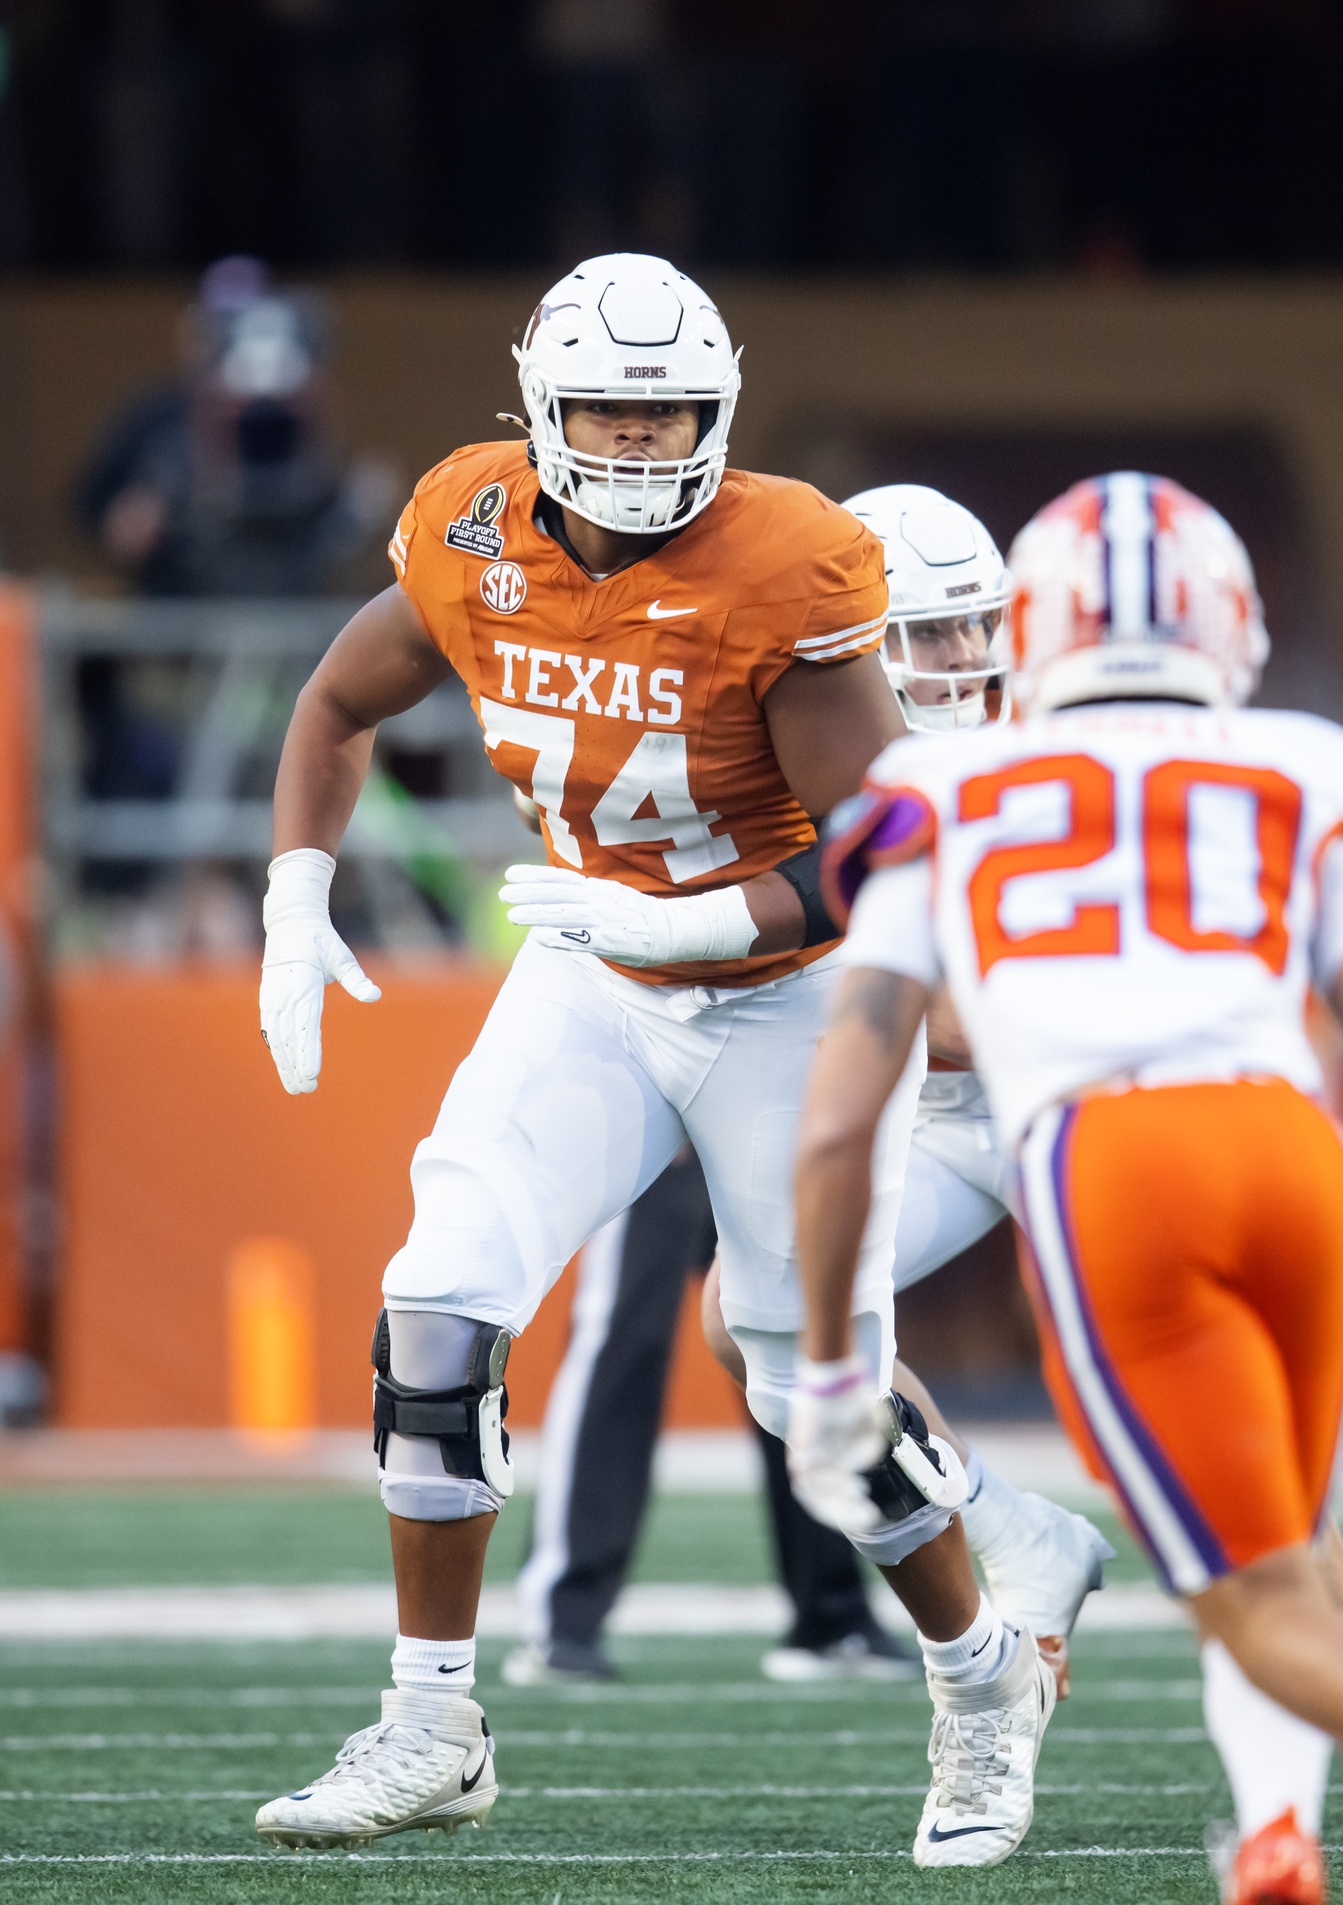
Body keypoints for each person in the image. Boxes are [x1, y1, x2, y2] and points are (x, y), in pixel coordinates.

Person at [252, 252, 1052, 1861]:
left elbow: (882, 839)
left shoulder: (782, 559)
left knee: (801, 1379)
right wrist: (292, 886)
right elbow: (338, 704)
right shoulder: (472, 521)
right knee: (436, 1302)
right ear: (542, 405)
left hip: (789, 992)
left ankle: (978, 1683)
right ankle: (430, 1723)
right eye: (609, 404)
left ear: (721, 403)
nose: (638, 434)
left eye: (669, 404)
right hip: (590, 976)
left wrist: (700, 927)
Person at [790, 469, 1343, 1894]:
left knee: (1245, 1592)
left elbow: (839, 1118)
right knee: (1283, 1549)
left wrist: (837, 1380)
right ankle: (1274, 1839)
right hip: (1291, 1153)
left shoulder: (936, 785)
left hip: (1119, 1168)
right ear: (1230, 626)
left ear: (1029, 629)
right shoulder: (1303, 760)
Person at [705, 482, 1115, 1698]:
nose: (967, 656)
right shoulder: (799, 746)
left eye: (975, 623)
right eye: (931, 632)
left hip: (1077, 1102)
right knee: (745, 1315)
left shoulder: (1046, 745)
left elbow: (951, 1022)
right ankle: (1008, 1529)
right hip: (940, 1114)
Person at [504, 1145, 918, 1688]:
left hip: (759, 1114)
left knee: (787, 1332)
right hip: (664, 1095)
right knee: (627, 1338)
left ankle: (833, 1614)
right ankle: (562, 1618)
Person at [76, 254, 395, 597]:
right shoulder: (156, 421)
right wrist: (132, 520)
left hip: (294, 594)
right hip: (192, 603)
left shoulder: (307, 415)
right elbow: (95, 502)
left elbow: (331, 506)